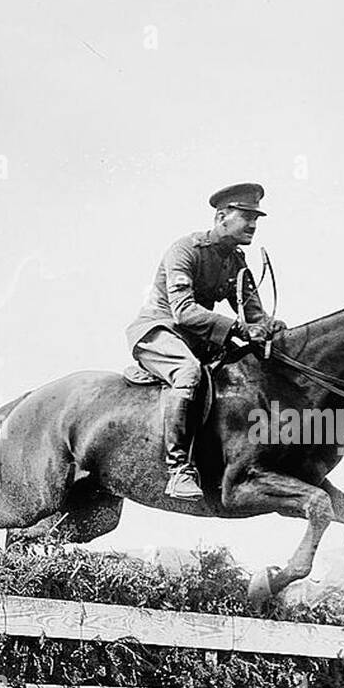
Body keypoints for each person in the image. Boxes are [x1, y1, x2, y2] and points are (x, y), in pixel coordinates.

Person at [126, 183, 287, 499]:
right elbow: (184, 312)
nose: (253, 224)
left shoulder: (236, 262)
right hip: (159, 332)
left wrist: (271, 327)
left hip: (198, 342)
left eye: (256, 218)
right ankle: (177, 471)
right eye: (246, 216)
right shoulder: (185, 250)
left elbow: (254, 317)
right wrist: (240, 329)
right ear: (222, 216)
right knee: (189, 374)